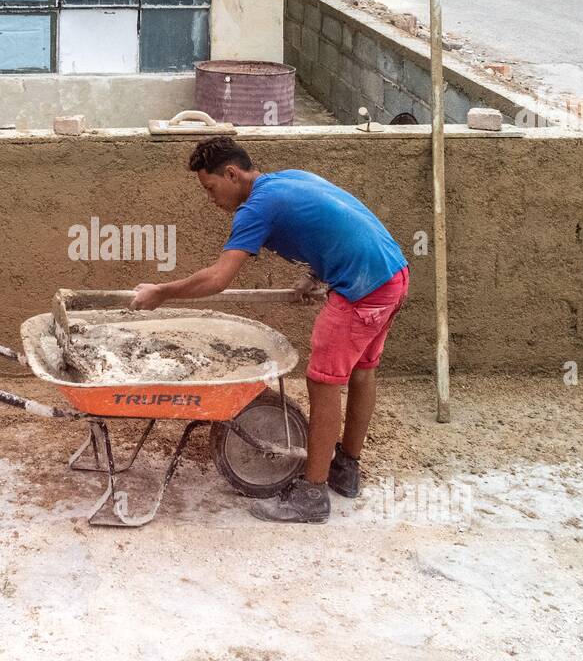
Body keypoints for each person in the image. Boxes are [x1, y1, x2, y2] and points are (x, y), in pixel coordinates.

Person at [131, 136, 409, 524]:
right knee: (362, 373)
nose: (211, 199)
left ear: (231, 173)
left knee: (324, 382)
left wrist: (162, 292)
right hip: (392, 274)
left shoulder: (256, 208)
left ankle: (312, 494)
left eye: (211, 188)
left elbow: (218, 278)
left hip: (360, 289)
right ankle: (346, 469)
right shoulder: (288, 179)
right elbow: (334, 224)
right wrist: (316, 276)